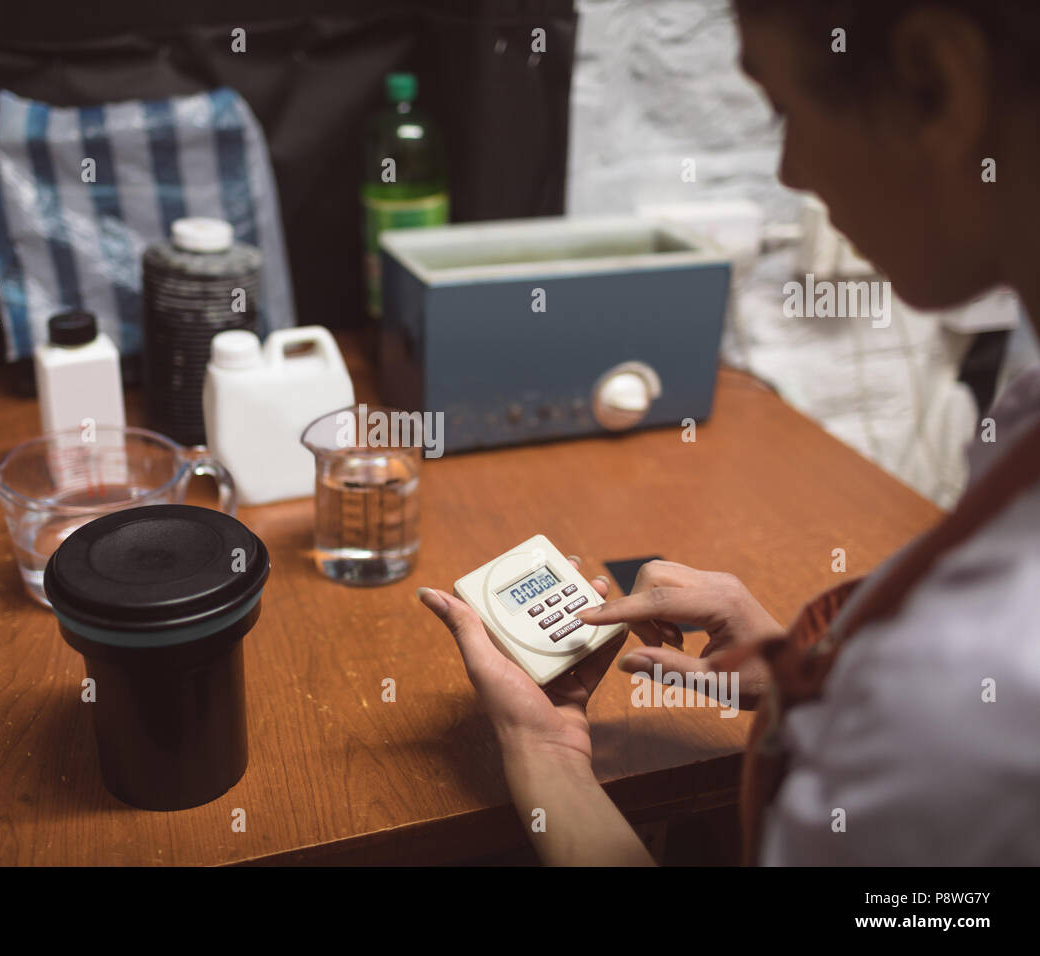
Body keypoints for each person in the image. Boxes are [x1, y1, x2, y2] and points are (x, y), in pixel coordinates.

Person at [417, 0, 1040, 866]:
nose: (786, 171)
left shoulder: (966, 702)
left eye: (784, 110)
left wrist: (544, 755)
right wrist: (804, 662)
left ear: (940, 83)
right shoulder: (1023, 416)